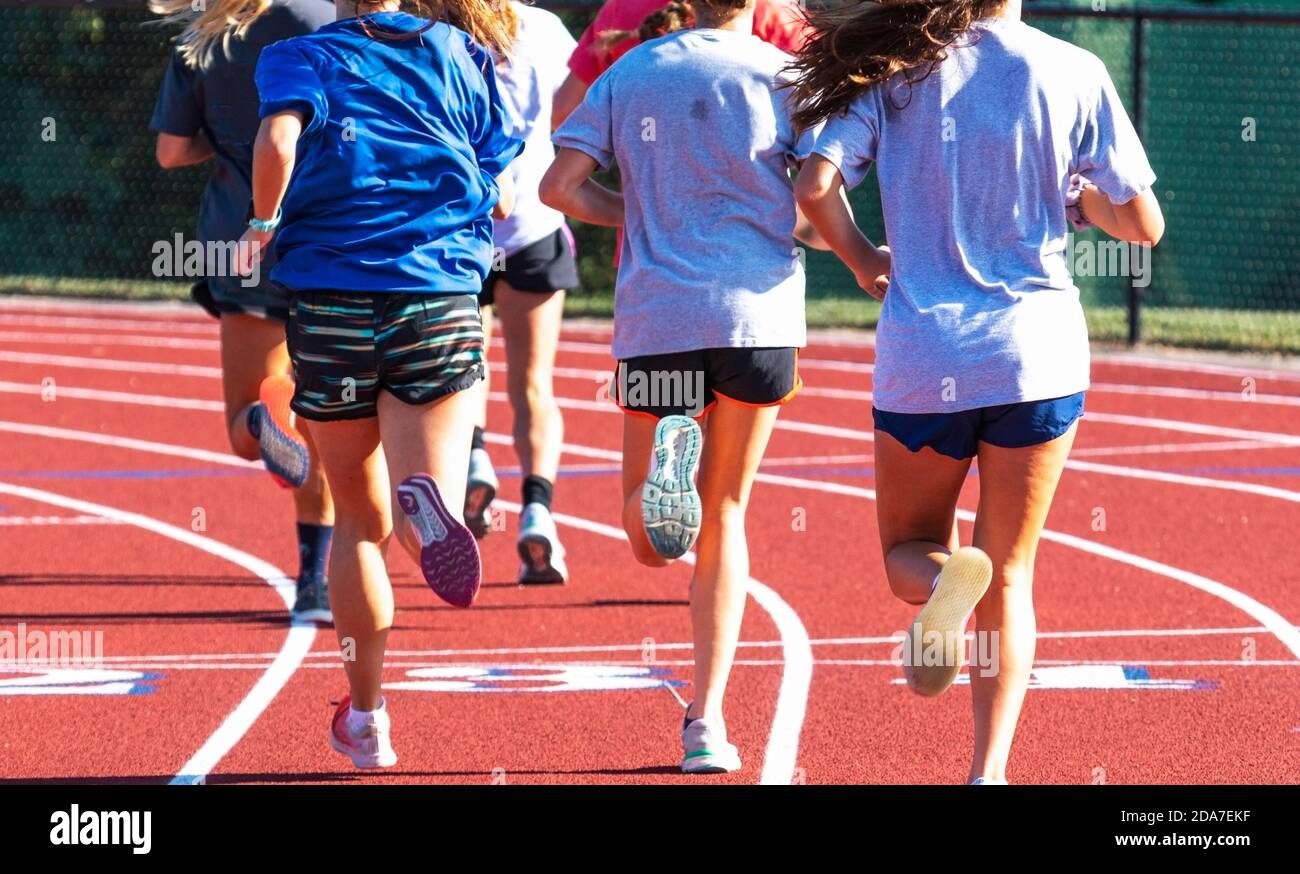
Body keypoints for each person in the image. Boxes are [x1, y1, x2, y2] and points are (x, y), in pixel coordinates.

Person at [790, 0, 1164, 783]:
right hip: (1037, 355)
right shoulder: (1073, 69)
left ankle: (939, 583)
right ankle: (988, 772)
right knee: (1011, 571)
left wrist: (862, 261)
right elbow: (1141, 223)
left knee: (907, 548)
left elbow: (815, 183)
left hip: (927, 352)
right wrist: (1076, 201)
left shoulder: (893, 65)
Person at [541, 0, 830, 774]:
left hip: (663, 315)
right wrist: (849, 249)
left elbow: (558, 187)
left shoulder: (631, 70)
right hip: (758, 318)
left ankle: (663, 484)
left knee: (643, 539)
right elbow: (813, 197)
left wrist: (630, 210)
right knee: (727, 512)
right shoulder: (788, 74)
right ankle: (707, 722)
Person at [241, 0, 521, 769]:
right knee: (412, 481)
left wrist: (261, 227)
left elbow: (276, 138)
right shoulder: (460, 54)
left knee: (356, 522)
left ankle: (367, 719)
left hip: (330, 301)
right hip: (436, 294)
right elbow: (498, 178)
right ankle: (430, 493)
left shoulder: (301, 56)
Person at [150, 0, 337, 624]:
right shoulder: (326, 20)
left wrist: (227, 139)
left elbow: (171, 152)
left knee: (246, 424)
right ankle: (316, 583)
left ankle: (263, 415)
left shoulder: (205, 29)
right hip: (328, 237)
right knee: (325, 421)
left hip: (241, 243)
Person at [464, 1, 580, 586]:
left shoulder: (447, 28)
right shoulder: (548, 29)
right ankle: (538, 510)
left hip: (464, 226)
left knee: (468, 365)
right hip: (534, 220)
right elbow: (571, 113)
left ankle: (475, 455)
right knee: (534, 382)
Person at [550, 0, 811, 129]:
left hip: (645, 225)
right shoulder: (772, 13)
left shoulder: (621, 7)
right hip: (756, 225)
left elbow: (562, 113)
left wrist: (624, 208)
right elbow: (821, 123)